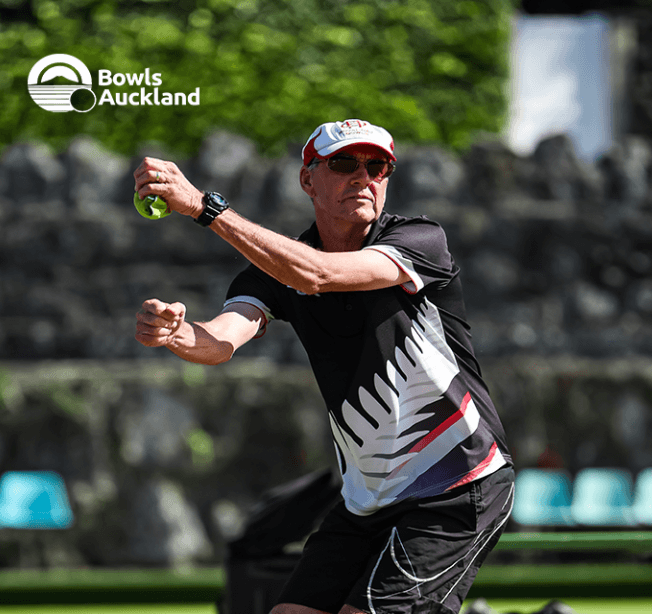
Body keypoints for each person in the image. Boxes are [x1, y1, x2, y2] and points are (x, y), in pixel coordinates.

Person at [134, 119, 514, 614]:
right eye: (343, 163)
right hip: (366, 502)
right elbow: (221, 341)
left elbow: (318, 275)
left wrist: (206, 208)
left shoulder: (418, 240)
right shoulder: (273, 272)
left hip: (457, 485)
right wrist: (174, 333)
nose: (363, 177)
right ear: (307, 179)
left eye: (376, 166)